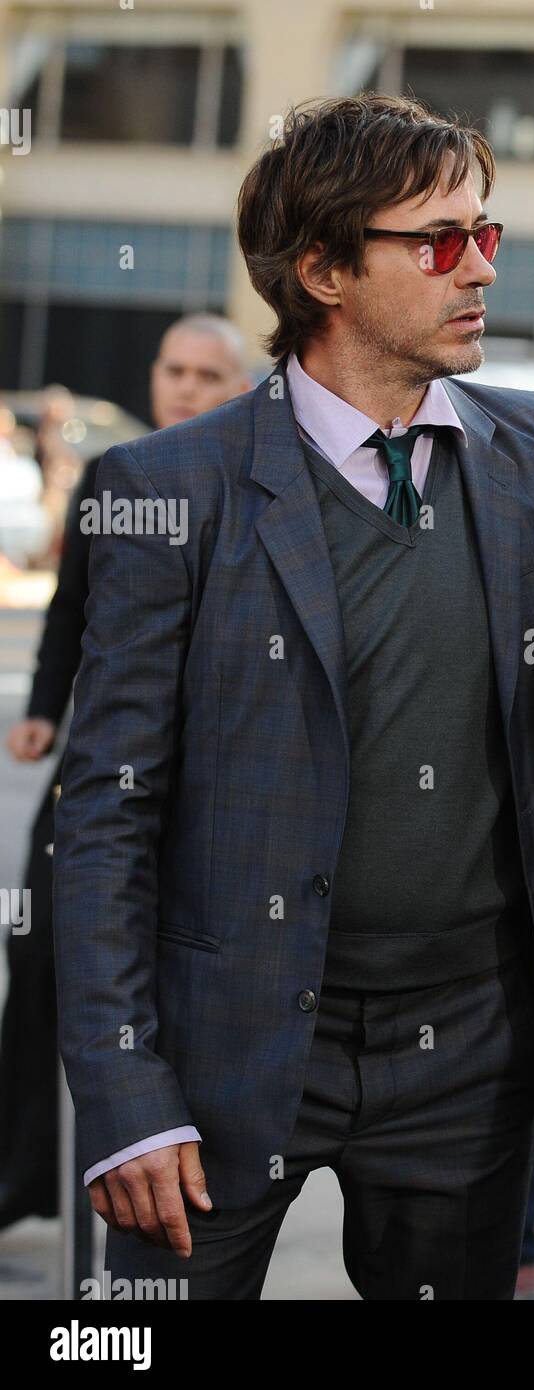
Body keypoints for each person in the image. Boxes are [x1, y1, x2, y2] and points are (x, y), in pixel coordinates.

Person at [51, 94, 534, 1300]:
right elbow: (103, 814)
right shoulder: (171, 493)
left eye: (488, 233)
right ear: (323, 270)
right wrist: (124, 1089)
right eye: (438, 241)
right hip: (230, 1038)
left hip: (469, 1043)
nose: (480, 269)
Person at [0, 315, 251, 1233]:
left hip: (202, 784)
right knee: (42, 962)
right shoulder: (114, 477)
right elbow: (68, 612)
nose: (185, 386)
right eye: (173, 369)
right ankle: (23, 1170)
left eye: (206, 373)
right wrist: (38, 709)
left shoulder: (248, 482)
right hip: (99, 770)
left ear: (239, 384)